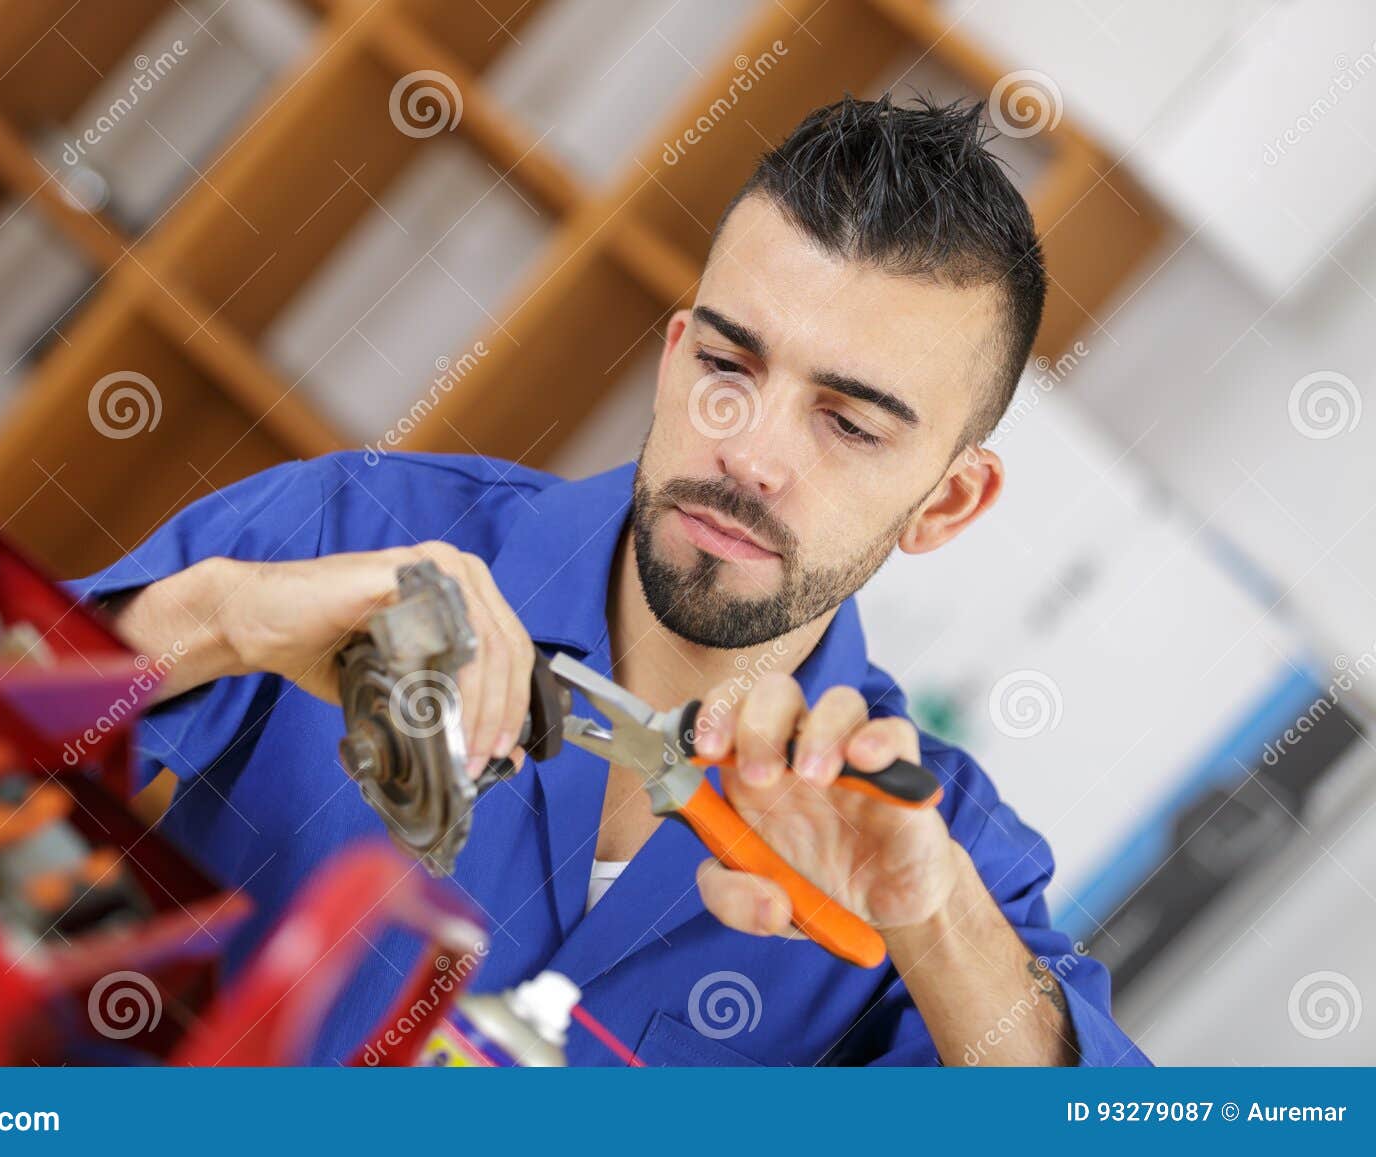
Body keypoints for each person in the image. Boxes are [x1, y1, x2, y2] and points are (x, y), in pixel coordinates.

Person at [70, 95, 1150, 1066]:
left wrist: (932, 918)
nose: (748, 452)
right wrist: (211, 620)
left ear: (947, 502)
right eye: (727, 367)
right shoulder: (353, 528)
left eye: (848, 422)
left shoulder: (938, 849)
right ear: (676, 355)